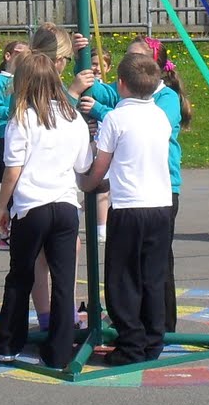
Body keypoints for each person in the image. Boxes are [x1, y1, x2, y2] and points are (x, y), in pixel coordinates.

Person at [82, 36, 192, 330]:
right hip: (133, 192)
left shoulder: (164, 99)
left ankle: (161, 326)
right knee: (133, 266)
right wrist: (82, 53)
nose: (130, 63)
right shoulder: (127, 95)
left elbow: (146, 125)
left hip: (161, 188)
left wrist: (102, 112)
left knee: (156, 266)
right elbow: (97, 91)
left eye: (136, 58)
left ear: (153, 66)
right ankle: (142, 326)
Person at [0, 51, 92, 367]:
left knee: (20, 276)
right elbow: (83, 164)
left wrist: (2, 207)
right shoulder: (73, 117)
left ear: (23, 83)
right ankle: (60, 352)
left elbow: (12, 170)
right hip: (65, 206)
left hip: (31, 208)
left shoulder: (22, 118)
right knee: (64, 281)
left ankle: (10, 344)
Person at [0, 40, 30, 250]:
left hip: (22, 134)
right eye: (18, 54)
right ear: (8, 56)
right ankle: (8, 232)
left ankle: (17, 228)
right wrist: (15, 110)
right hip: (5, 136)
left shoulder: (26, 80)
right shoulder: (0, 82)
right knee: (10, 183)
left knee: (21, 183)